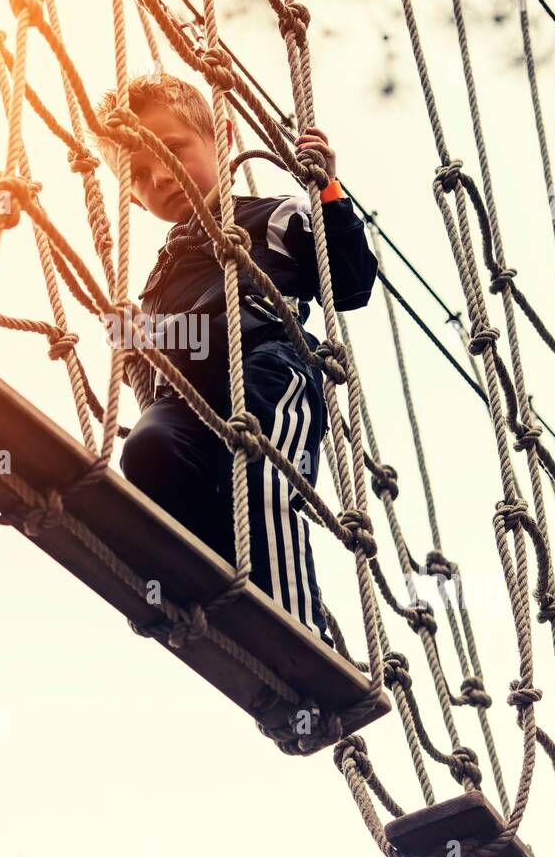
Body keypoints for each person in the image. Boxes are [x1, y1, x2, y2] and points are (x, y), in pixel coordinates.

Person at [92, 73, 377, 647]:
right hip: (192, 402)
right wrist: (132, 336)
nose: (160, 178)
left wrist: (327, 191)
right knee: (148, 446)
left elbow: (349, 281)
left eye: (171, 151)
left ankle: (294, 625)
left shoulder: (266, 217)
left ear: (219, 134)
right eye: (140, 178)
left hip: (267, 372)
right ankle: (199, 578)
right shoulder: (154, 283)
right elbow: (152, 378)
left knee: (262, 473)